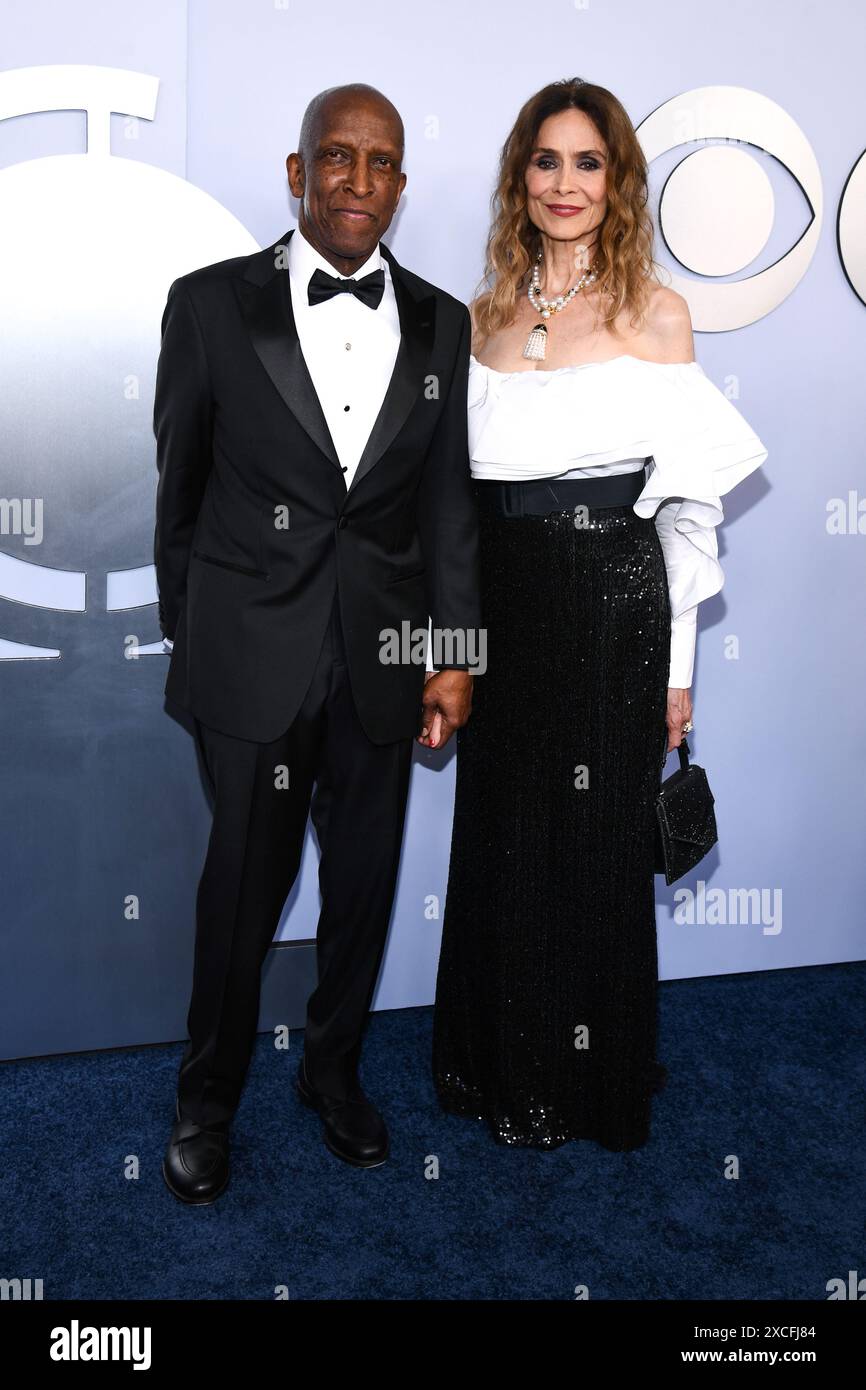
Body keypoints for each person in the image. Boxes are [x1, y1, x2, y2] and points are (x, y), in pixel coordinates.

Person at [154, 83, 480, 1202]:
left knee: (361, 890)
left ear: (399, 183)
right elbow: (178, 499)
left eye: (378, 162)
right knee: (239, 898)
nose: (355, 181)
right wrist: (194, 646)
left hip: (385, 658)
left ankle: (333, 1075)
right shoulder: (207, 307)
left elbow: (445, 508)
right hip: (249, 656)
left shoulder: (443, 320)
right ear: (297, 175)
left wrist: (449, 652)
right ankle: (206, 1101)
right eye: (333, 159)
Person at [432, 78, 768, 1152]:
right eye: (545, 161)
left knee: (592, 844)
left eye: (586, 163)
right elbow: (447, 513)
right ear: (517, 178)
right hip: (502, 605)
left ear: (615, 181)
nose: (564, 183)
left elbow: (683, 517)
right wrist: (448, 647)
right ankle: (496, 1065)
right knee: (501, 837)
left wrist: (678, 676)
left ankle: (584, 1079)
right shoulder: (477, 314)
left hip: (612, 605)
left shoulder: (653, 314)